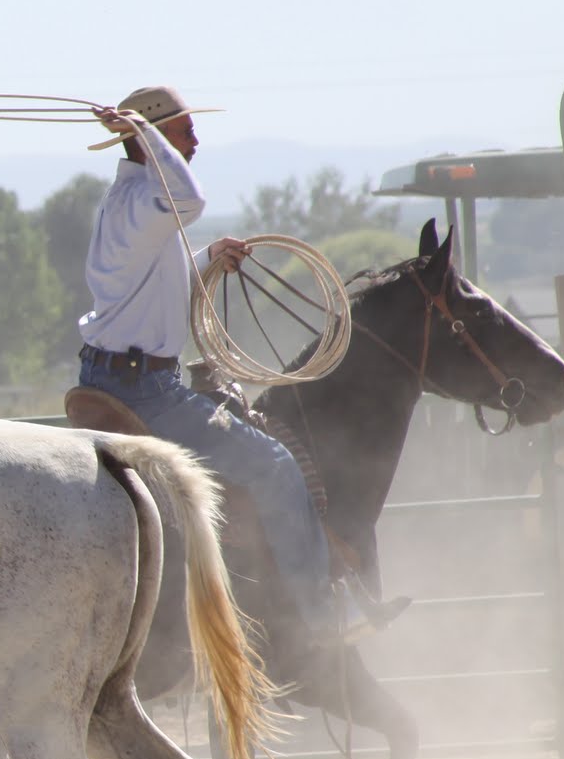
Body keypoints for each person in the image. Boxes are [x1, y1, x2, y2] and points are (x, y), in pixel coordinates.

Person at [76, 84, 397, 646]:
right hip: (145, 388)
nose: (194, 141)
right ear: (149, 143)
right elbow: (192, 200)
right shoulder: (151, 201)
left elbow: (152, 288)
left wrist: (208, 261)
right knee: (273, 466)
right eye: (182, 131)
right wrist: (146, 134)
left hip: (120, 373)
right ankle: (318, 617)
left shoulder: (135, 207)